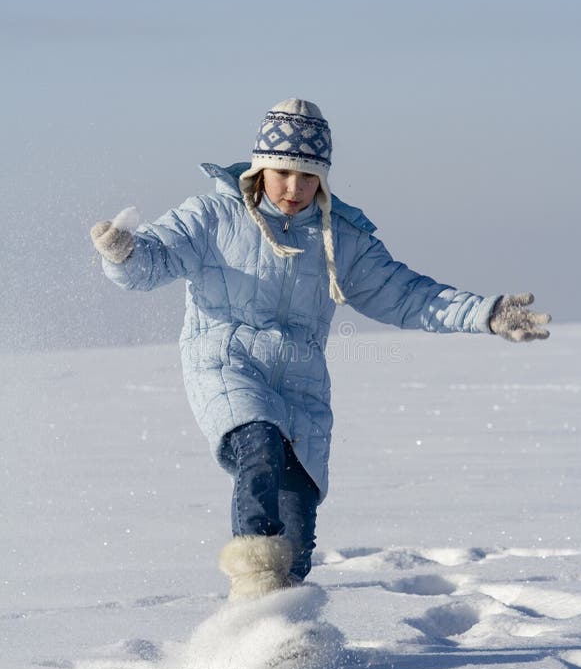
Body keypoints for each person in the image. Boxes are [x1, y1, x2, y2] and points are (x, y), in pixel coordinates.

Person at [91, 98, 550, 601]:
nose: (294, 188)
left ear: (324, 179)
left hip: (301, 381)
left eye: (307, 176)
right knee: (258, 448)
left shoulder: (343, 239)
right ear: (262, 166)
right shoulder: (213, 215)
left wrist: (485, 313)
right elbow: (153, 259)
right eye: (283, 172)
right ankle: (251, 589)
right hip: (227, 361)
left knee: (299, 516)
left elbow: (407, 294)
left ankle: (279, 622)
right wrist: (125, 252)